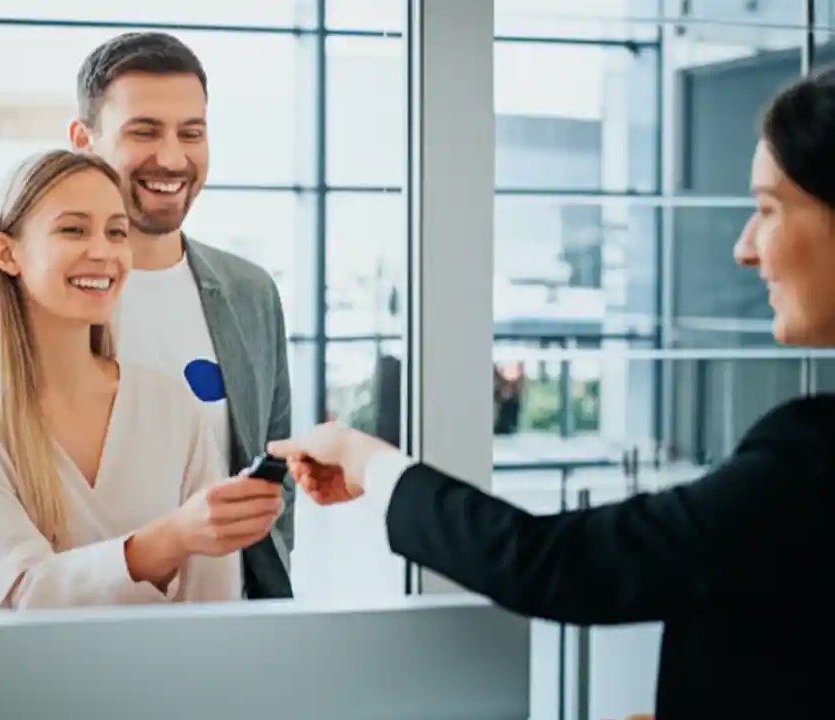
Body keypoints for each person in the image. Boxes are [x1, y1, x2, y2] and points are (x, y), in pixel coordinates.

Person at [268, 68, 835, 720]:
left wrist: (365, 459)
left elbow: (562, 563)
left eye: (767, 209)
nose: (744, 248)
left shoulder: (811, 456)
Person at [0, 32, 294, 599]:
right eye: (144, 130)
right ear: (83, 140)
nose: (171, 157)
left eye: (191, 132)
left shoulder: (249, 294)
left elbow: (263, 495)